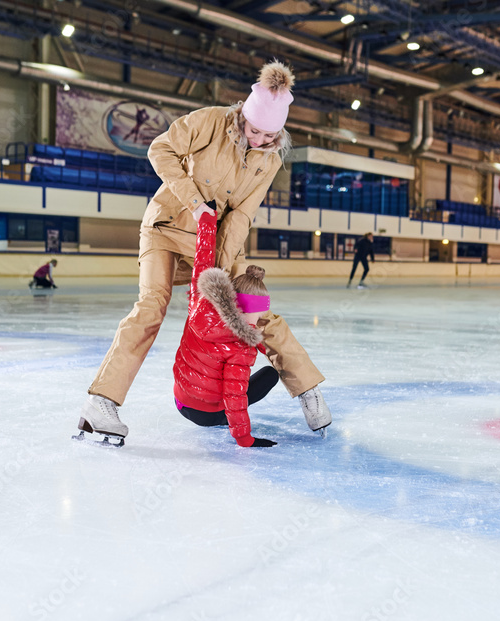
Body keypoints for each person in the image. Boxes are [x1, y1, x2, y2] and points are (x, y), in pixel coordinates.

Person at [78, 60, 331, 446]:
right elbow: (159, 150)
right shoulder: (210, 122)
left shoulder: (271, 157)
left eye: (270, 135)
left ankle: (308, 391)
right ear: (242, 117)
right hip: (166, 228)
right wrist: (195, 203)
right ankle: (101, 402)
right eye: (255, 130)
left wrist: (221, 270)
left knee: (255, 311)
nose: (260, 140)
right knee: (151, 306)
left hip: (216, 243)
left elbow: (243, 215)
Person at [173, 210, 279, 447]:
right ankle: (219, 420)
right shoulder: (242, 348)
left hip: (180, 401)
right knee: (270, 375)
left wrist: (207, 219)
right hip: (207, 415)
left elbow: (203, 259)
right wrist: (245, 440)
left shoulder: (200, 302)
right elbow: (235, 396)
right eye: (259, 313)